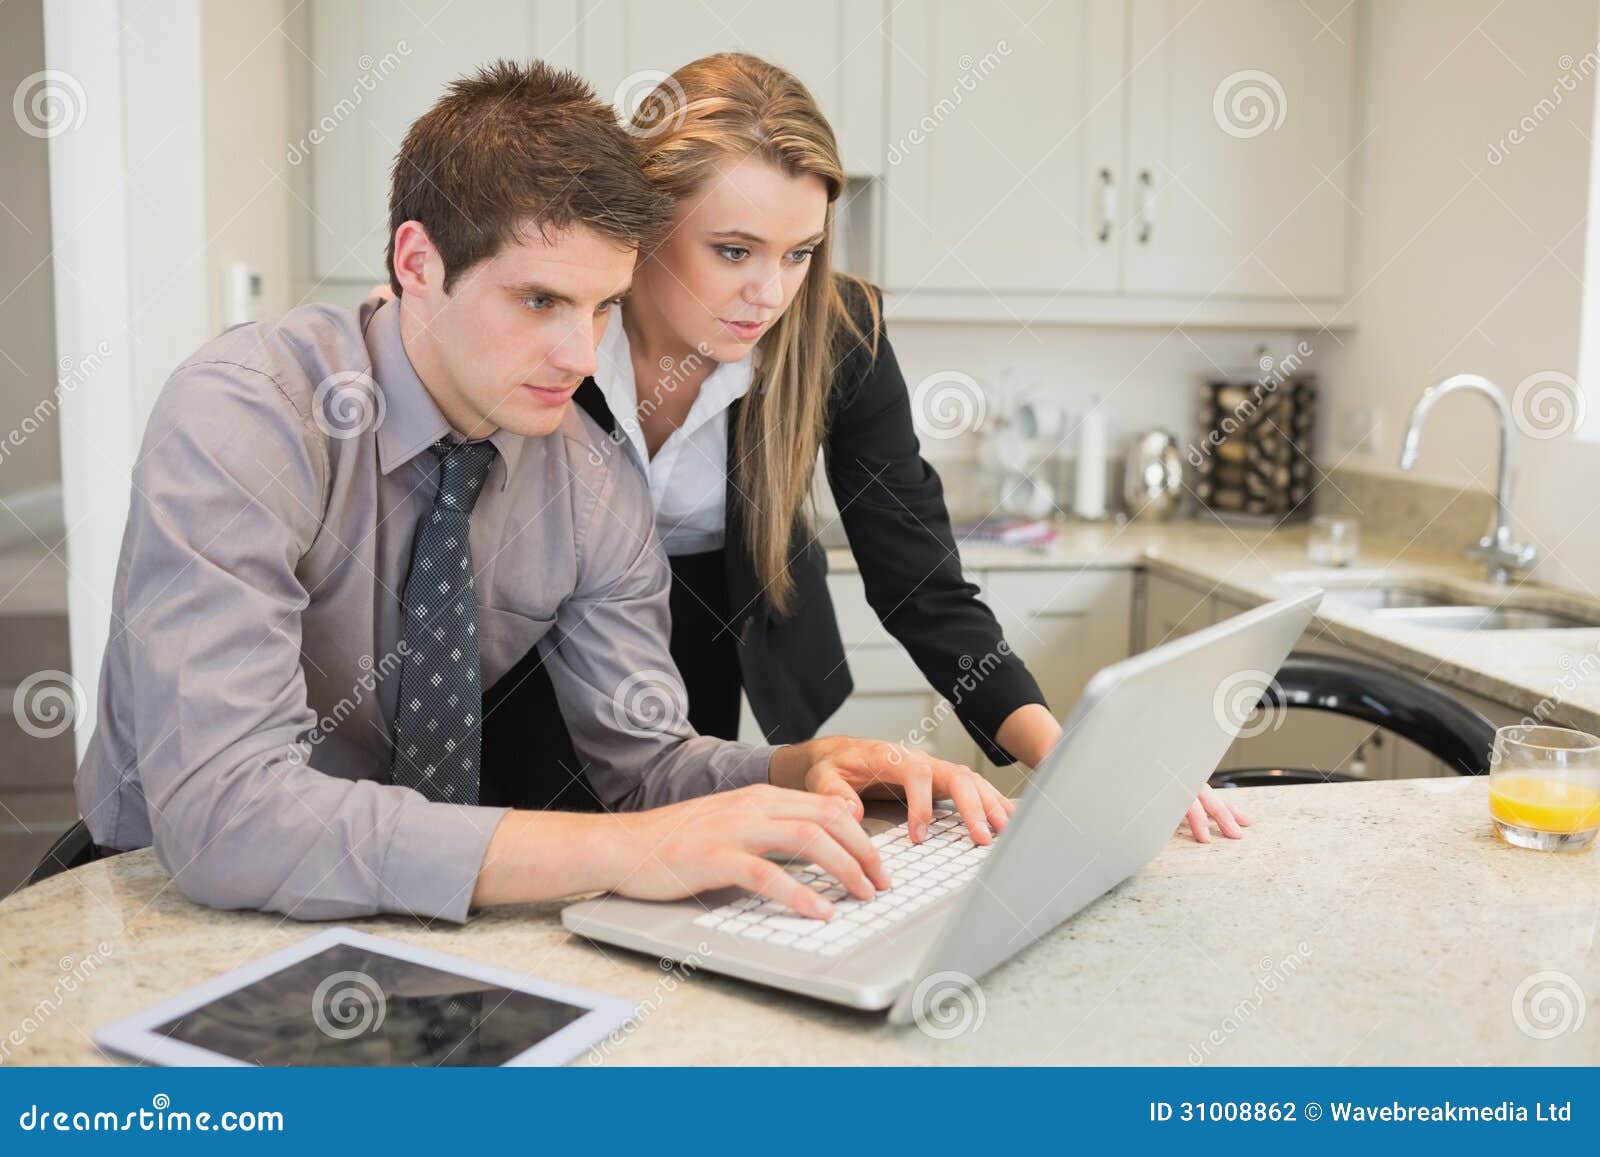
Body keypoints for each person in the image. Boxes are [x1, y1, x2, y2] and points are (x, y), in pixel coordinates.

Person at [72, 60, 1011, 927]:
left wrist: (794, 768)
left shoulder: (589, 480)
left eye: (602, 306)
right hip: (154, 908)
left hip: (396, 924)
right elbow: (226, 815)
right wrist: (625, 848)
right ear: (417, 263)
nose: (576, 356)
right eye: (539, 301)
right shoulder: (251, 415)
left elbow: (647, 764)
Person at [484, 53, 1248, 843]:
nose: (771, 295)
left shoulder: (838, 334)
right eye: (735, 251)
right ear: (643, 221)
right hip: (530, 636)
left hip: (716, 626)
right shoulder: (555, 326)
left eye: (800, 252)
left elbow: (922, 580)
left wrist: (1066, 756)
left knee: (673, 838)